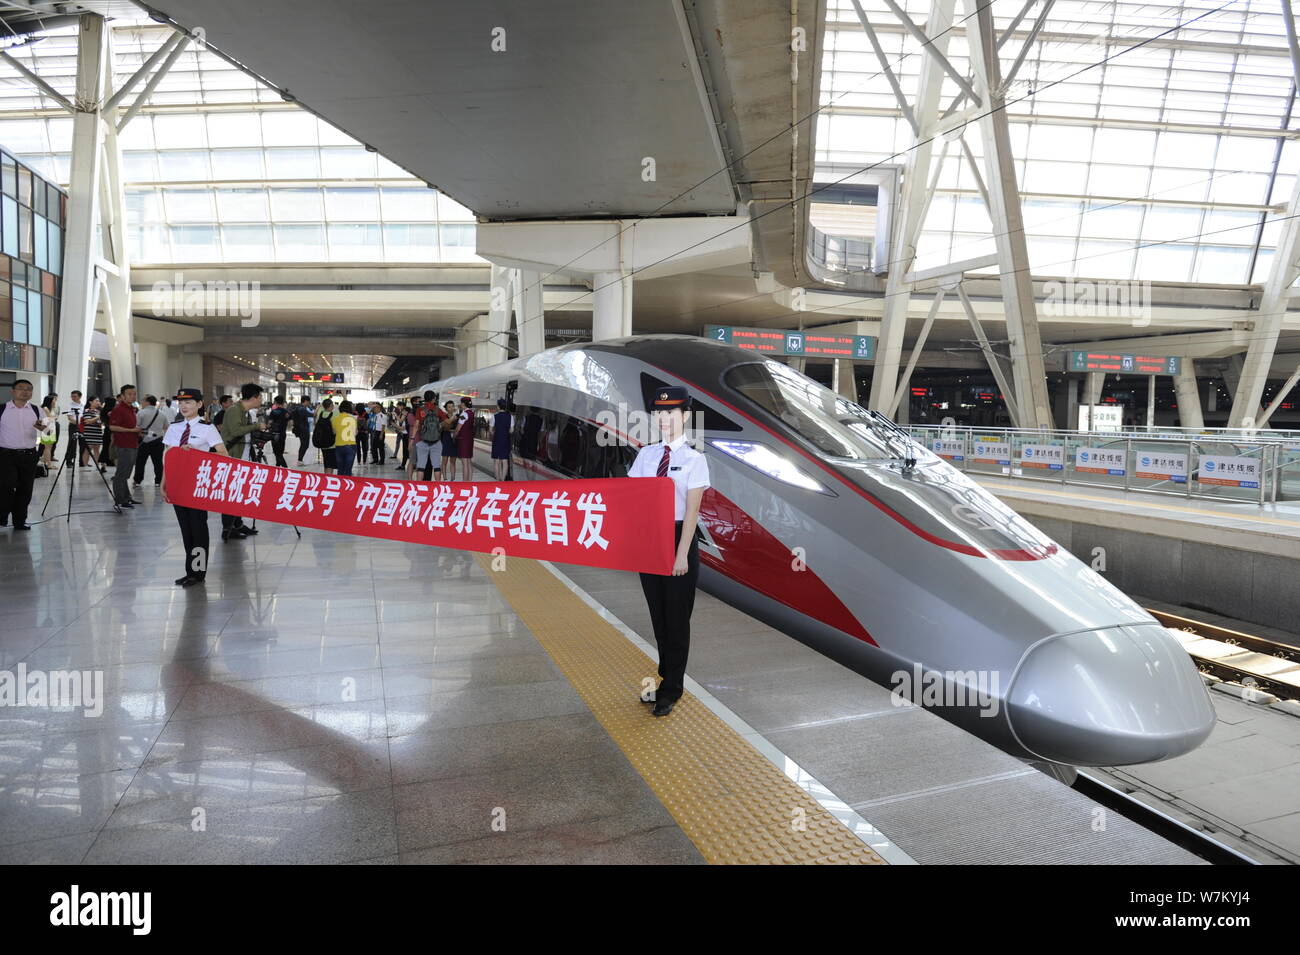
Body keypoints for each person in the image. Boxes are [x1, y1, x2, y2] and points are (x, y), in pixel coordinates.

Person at [628, 386, 710, 718]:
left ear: (685, 416)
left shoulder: (694, 459)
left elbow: (692, 512)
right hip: (650, 539)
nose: (664, 419)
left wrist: (681, 555)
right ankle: (665, 677)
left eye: (671, 413)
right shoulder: (646, 455)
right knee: (659, 617)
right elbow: (632, 500)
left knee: (677, 620)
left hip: (679, 539)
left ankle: (672, 688)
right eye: (659, 413)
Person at [160, 387, 228, 587]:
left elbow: (223, 454)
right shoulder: (174, 428)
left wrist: (197, 453)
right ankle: (190, 570)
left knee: (198, 529)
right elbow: (168, 458)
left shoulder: (207, 428)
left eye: (188, 402)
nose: (183, 406)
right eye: (181, 402)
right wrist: (164, 483)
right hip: (177, 484)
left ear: (199, 404)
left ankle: (198, 573)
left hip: (198, 485)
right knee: (186, 530)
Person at [0, 379, 51, 530]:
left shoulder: (37, 410)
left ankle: (20, 521)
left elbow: (50, 432)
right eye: (21, 388)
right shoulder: (3, 409)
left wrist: (43, 428)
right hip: (6, 455)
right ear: (13, 391)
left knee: (25, 489)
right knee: (6, 487)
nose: (25, 391)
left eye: (29, 389)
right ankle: (2, 517)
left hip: (29, 455)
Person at [216, 382, 264, 540]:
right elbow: (236, 431)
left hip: (241, 456)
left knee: (239, 492)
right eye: (260, 397)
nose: (261, 400)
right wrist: (256, 426)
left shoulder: (244, 412)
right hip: (231, 457)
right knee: (230, 493)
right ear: (254, 397)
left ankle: (237, 524)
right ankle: (227, 528)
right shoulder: (234, 410)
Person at [108, 384, 144, 508]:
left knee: (126, 473)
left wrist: (137, 431)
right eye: (129, 394)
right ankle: (120, 500)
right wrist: (131, 430)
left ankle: (127, 497)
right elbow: (112, 427)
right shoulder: (119, 409)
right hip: (124, 445)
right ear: (122, 396)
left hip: (132, 444)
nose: (133, 396)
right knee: (121, 474)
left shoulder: (132, 409)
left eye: (134, 394)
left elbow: (129, 426)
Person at [132, 395, 168, 487]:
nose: (142, 402)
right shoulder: (162, 413)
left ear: (147, 402)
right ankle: (159, 481)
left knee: (140, 462)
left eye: (143, 400)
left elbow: (136, 426)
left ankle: (137, 480)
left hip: (144, 441)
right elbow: (166, 427)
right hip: (158, 440)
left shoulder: (141, 413)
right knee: (158, 462)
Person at [333, 399, 358, 475]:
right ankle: (347, 481)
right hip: (351, 445)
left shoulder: (336, 419)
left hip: (339, 445)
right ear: (349, 408)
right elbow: (355, 433)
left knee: (340, 469)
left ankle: (340, 482)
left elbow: (334, 432)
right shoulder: (353, 418)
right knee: (348, 470)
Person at [78, 398, 105, 471]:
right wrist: (98, 417)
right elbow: (88, 421)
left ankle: (97, 466)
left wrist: (99, 419)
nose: (98, 402)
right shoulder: (86, 411)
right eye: (96, 401)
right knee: (87, 450)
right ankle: (85, 466)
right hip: (89, 433)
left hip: (98, 432)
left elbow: (101, 422)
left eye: (98, 401)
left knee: (97, 450)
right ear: (90, 402)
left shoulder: (98, 411)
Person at [453, 396, 475, 480]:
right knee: (469, 461)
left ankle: (465, 482)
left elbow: (458, 428)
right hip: (470, 439)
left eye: (461, 403)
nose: (460, 404)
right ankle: (469, 481)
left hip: (463, 440)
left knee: (464, 462)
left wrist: (454, 435)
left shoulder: (464, 414)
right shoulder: (471, 413)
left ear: (463, 404)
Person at [490, 397, 512, 480]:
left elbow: (490, 430)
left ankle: (497, 480)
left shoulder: (494, 416)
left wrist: (496, 434)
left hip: (497, 440)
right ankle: (503, 480)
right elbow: (511, 430)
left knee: (496, 461)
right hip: (506, 440)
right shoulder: (510, 417)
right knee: (505, 460)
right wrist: (505, 432)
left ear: (498, 407)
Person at [313, 398, 337, 474]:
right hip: (331, 444)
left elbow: (317, 411)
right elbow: (335, 430)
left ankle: (326, 476)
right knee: (330, 464)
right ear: (331, 405)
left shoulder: (320, 413)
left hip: (322, 443)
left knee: (326, 463)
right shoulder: (334, 414)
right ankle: (328, 478)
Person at [266, 395, 289, 468]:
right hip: (282, 434)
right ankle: (277, 466)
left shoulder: (273, 412)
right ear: (283, 402)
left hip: (274, 434)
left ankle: (285, 468)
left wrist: (267, 427)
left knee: (277, 453)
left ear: (275, 402)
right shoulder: (286, 412)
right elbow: (291, 422)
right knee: (280, 452)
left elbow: (270, 422)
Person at [39, 393, 59, 472]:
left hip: (51, 428)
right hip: (47, 429)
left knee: (48, 447)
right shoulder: (45, 408)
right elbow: (51, 418)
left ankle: (45, 462)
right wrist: (54, 417)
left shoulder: (50, 408)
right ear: (50, 401)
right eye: (54, 400)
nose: (55, 401)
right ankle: (49, 464)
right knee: (48, 447)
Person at [64, 389, 84, 467]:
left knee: (83, 443)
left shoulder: (83, 405)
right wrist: (78, 423)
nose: (73, 398)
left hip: (82, 426)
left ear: (80, 396)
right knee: (72, 443)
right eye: (72, 396)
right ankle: (69, 461)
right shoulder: (70, 405)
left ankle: (82, 461)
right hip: (73, 426)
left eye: (75, 396)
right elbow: (70, 417)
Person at [292, 396, 312, 464]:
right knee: (305, 445)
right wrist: (318, 409)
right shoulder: (302, 409)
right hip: (304, 429)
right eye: (308, 402)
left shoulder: (298, 408)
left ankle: (300, 460)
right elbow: (311, 415)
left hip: (300, 429)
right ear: (305, 401)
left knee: (303, 445)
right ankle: (300, 460)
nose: (309, 403)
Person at [440, 399, 458, 476]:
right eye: (449, 407)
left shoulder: (458, 417)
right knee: (444, 460)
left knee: (453, 461)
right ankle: (444, 477)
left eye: (452, 406)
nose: (451, 408)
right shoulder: (444, 416)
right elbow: (443, 426)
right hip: (446, 438)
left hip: (454, 439)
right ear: (446, 408)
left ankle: (453, 478)